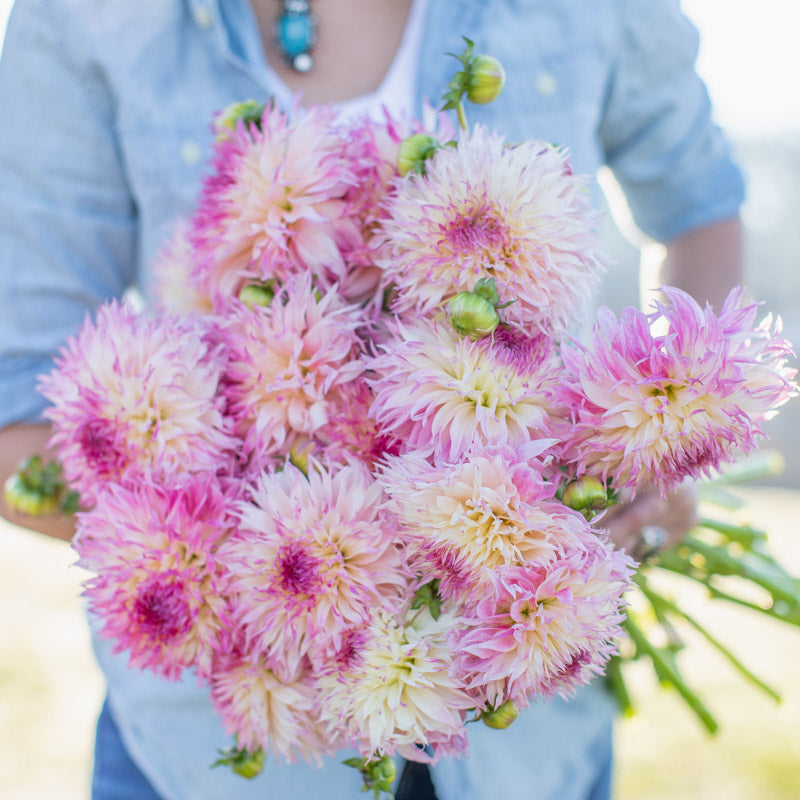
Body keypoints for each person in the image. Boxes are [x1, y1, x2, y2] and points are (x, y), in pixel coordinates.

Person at [0, 1, 744, 798]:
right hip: (216, 751)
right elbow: (17, 414)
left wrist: (660, 426)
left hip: (534, 743)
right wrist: (261, 565)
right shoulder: (83, 18)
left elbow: (699, 206)